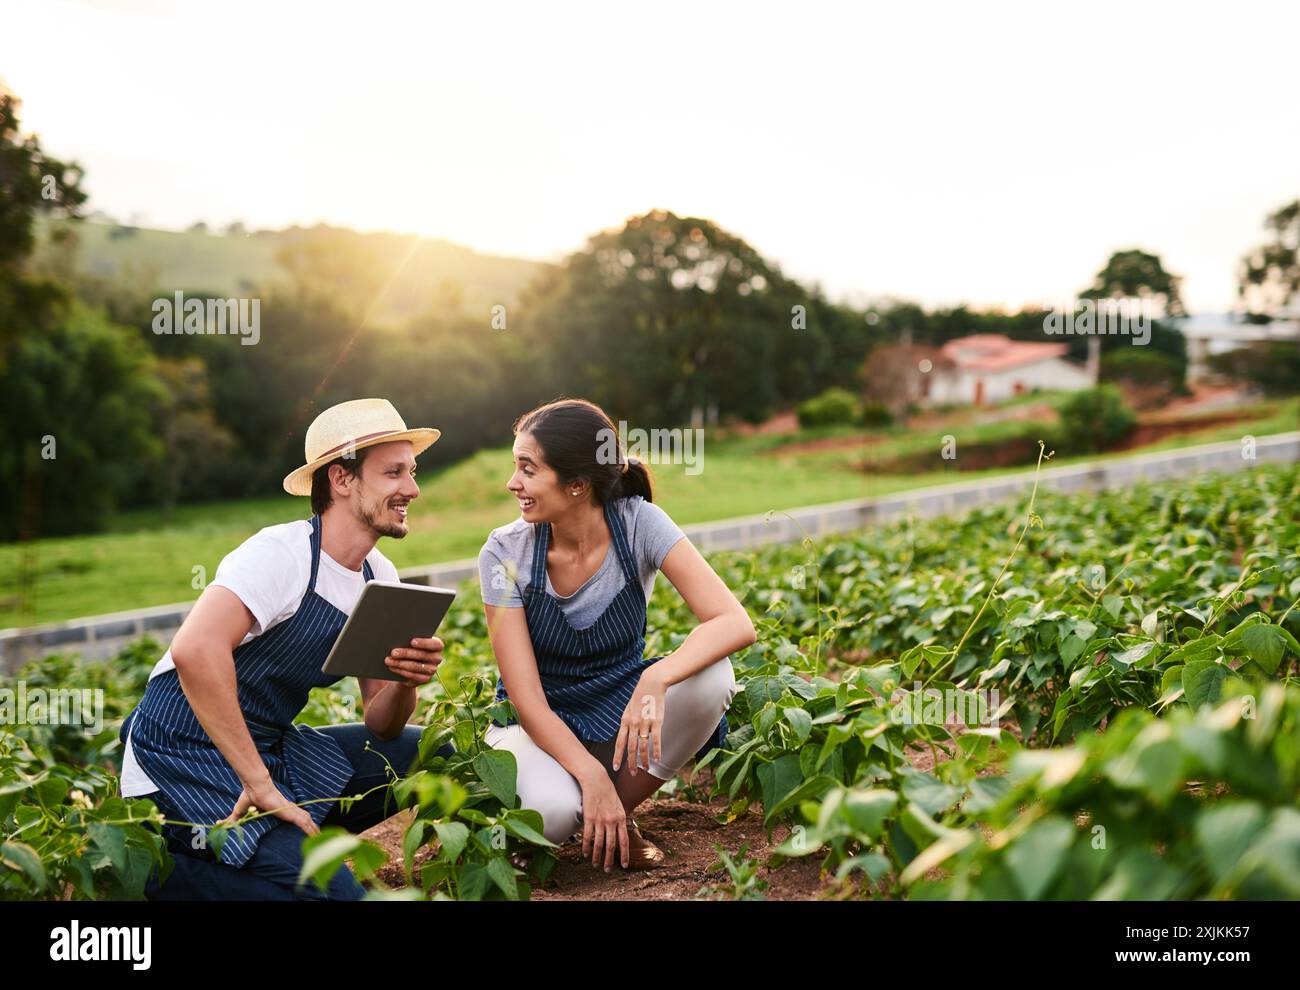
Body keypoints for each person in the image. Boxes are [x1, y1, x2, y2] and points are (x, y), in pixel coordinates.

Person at [118, 398, 455, 900]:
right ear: (342, 479)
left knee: (431, 750)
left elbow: (382, 725)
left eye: (412, 471)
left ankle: (272, 852)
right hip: (181, 750)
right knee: (338, 899)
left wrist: (407, 679)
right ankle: (165, 869)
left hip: (268, 745)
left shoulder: (377, 576)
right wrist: (257, 783)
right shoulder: (281, 554)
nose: (412, 488)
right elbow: (195, 649)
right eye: (394, 473)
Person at [477, 398, 755, 873]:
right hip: (536, 722)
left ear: (578, 484)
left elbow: (734, 622)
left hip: (618, 707)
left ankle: (612, 815)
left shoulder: (639, 523)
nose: (513, 483)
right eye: (515, 466)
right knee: (550, 816)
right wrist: (591, 775)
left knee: (713, 677)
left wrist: (656, 679)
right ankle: (590, 807)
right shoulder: (504, 553)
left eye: (528, 469)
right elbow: (527, 700)